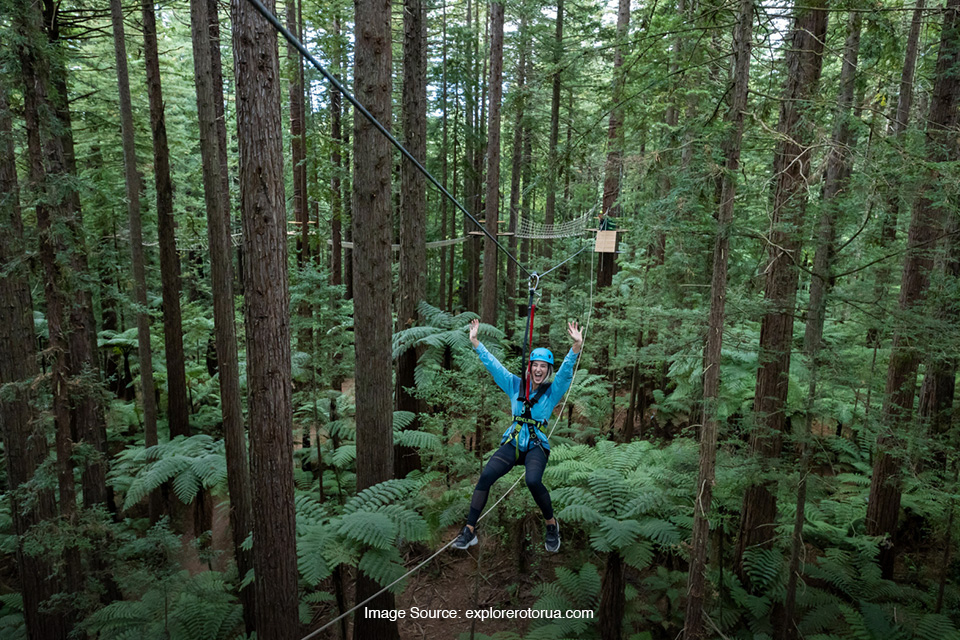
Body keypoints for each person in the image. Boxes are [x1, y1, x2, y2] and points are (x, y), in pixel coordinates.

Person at [452, 318, 583, 552]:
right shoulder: (514, 385)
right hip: (513, 443)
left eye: (544, 366)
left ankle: (551, 525)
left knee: (533, 481)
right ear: (530, 367)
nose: (539, 369)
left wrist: (576, 347)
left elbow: (565, 373)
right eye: (536, 365)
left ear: (547, 370)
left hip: (535, 446)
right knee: (485, 477)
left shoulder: (552, 392)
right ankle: (469, 530)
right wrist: (475, 342)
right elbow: (494, 366)